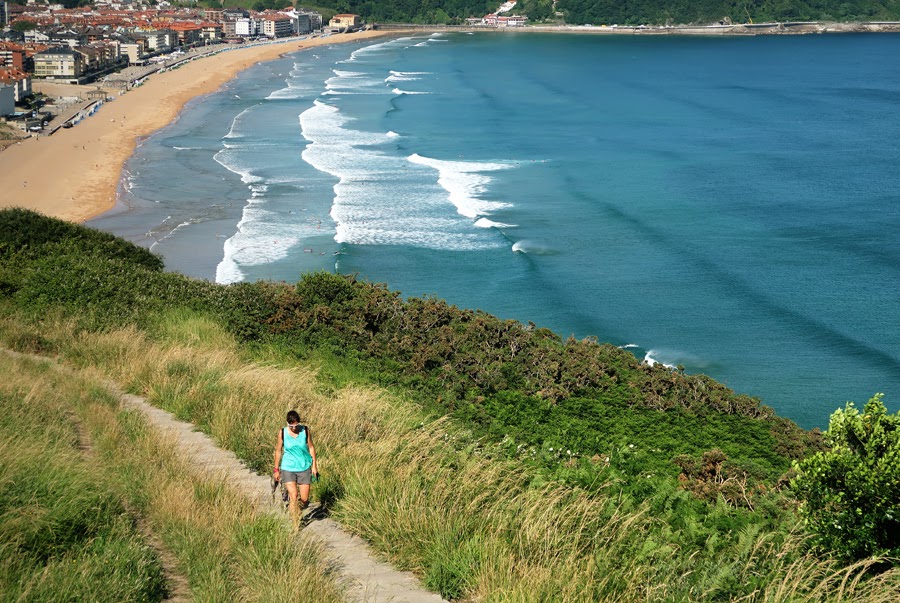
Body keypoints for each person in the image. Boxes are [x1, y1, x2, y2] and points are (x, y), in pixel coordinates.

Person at [273, 410, 319, 531]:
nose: (294, 428)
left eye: (296, 425)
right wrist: (276, 469)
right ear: (287, 423)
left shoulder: (305, 431)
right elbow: (278, 451)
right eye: (291, 425)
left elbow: (311, 447)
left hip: (304, 466)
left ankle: (295, 507)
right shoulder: (282, 432)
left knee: (304, 500)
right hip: (288, 467)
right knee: (294, 495)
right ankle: (295, 523)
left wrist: (314, 466)